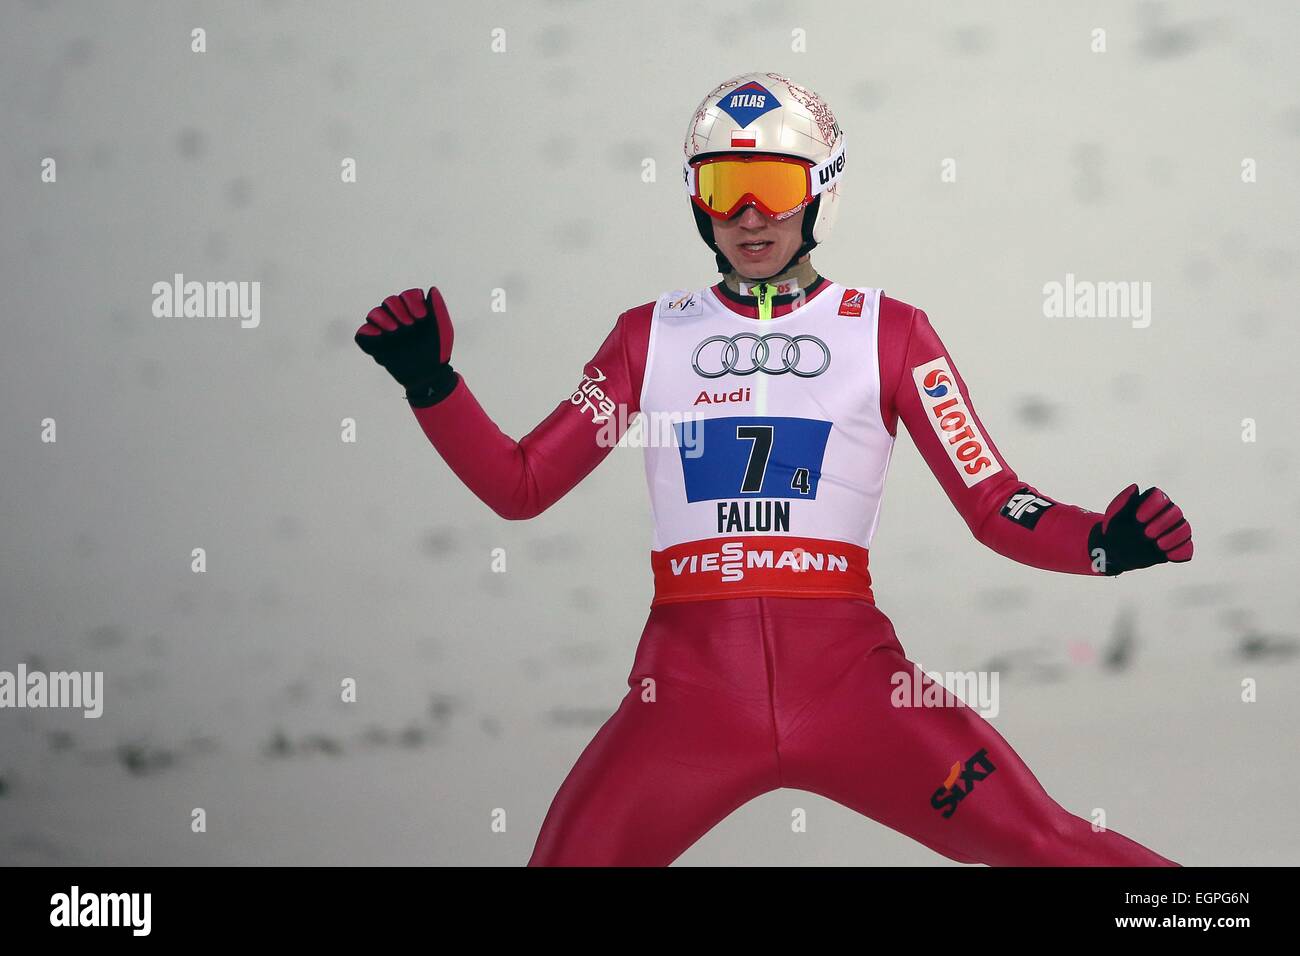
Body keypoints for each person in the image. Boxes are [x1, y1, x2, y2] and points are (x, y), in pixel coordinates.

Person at [355, 73, 1193, 866]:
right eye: (723, 191)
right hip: (687, 703)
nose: (750, 217)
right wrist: (434, 385)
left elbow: (994, 500)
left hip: (855, 695)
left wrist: (1101, 543)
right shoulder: (647, 338)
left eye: (777, 189)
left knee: (1048, 846)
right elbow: (522, 486)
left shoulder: (890, 333)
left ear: (821, 190)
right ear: (695, 203)